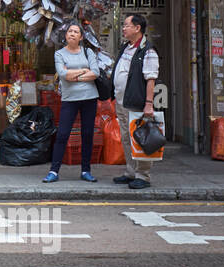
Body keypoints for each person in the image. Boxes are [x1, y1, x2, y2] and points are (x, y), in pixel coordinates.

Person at [44, 23, 107, 183]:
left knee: (87, 134)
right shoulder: (59, 53)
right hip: (69, 99)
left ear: (81, 37)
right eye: (70, 31)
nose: (72, 34)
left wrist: (74, 76)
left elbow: (95, 72)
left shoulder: (88, 52)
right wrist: (84, 71)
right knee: (62, 134)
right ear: (66, 35)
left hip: (89, 98)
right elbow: (63, 74)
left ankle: (86, 170)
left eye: (76, 32)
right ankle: (54, 171)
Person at [112, 13, 160, 189]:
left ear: (137, 28)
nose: (123, 28)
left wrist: (149, 104)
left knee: (141, 138)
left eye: (126, 25)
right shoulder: (126, 47)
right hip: (122, 102)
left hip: (137, 102)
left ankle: (143, 176)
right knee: (126, 138)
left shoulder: (148, 51)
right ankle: (131, 171)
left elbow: (151, 79)